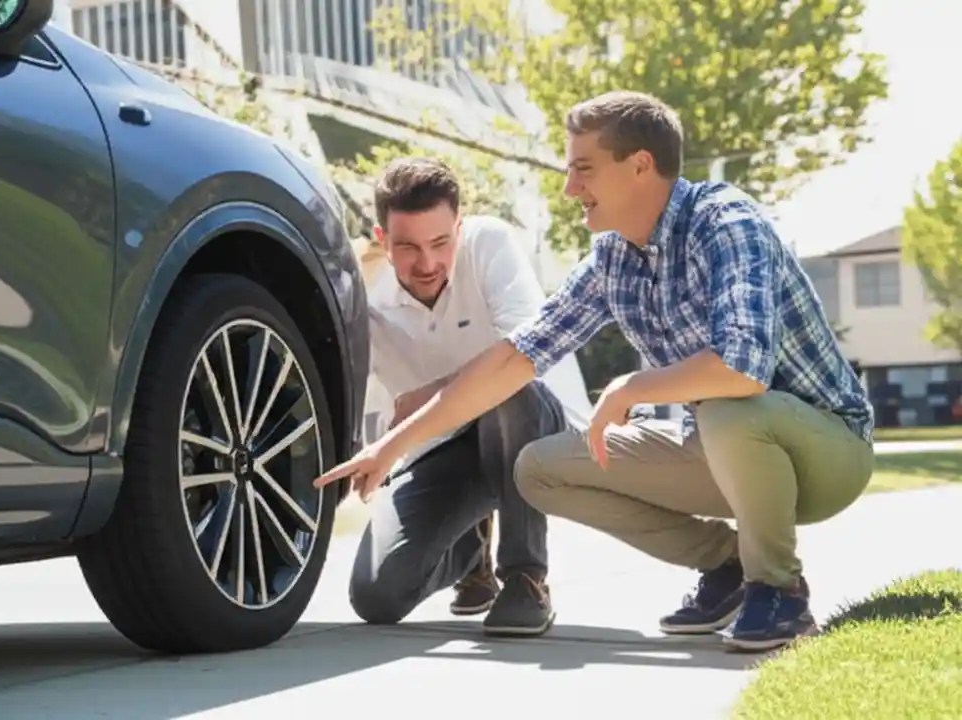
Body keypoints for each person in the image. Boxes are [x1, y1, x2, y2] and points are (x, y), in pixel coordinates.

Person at [319, 91, 875, 653]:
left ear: (639, 167)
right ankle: (727, 565)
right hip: (718, 447)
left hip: (825, 452)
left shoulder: (727, 223)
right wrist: (389, 448)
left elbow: (743, 368)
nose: (569, 189)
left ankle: (779, 590)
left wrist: (632, 386)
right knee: (539, 470)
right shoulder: (613, 258)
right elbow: (515, 358)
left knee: (730, 408)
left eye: (583, 170)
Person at [349, 157, 590, 637]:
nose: (428, 263)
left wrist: (429, 394)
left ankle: (525, 576)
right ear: (382, 239)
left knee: (506, 392)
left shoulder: (490, 242)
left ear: (459, 227)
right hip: (446, 449)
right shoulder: (367, 305)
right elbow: (364, 415)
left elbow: (523, 355)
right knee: (377, 595)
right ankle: (468, 552)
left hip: (539, 429)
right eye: (408, 247)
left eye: (441, 242)